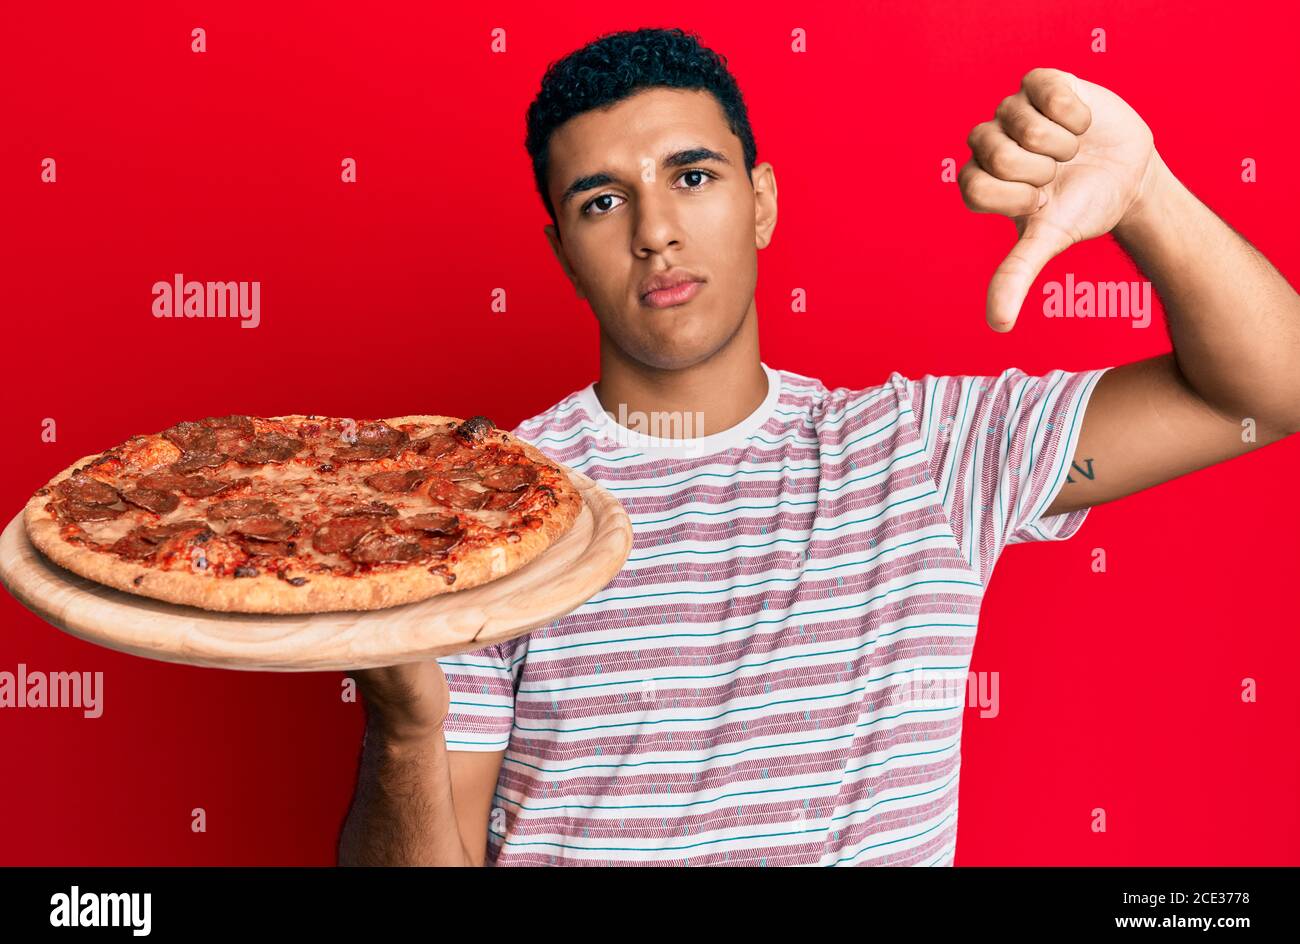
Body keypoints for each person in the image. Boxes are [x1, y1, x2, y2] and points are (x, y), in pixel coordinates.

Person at [338, 28, 1300, 866]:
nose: (656, 232)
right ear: (562, 254)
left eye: (693, 175)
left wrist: (1147, 198)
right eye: (602, 202)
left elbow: (1269, 393)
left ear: (760, 203)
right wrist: (407, 729)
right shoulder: (485, 512)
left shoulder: (924, 454)